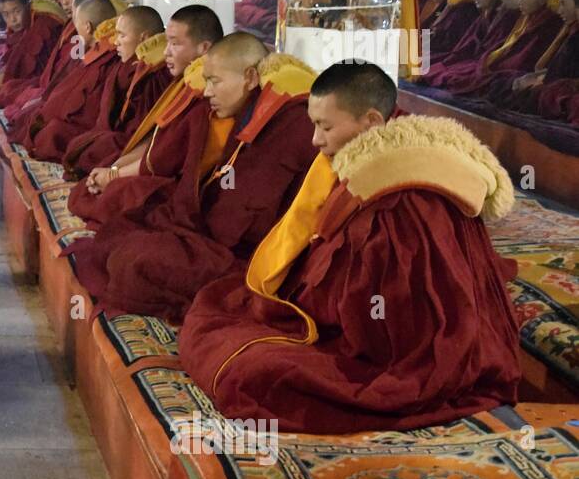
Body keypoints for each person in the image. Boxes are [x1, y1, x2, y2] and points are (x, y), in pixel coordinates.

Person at [179, 60, 521, 433]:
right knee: (218, 309)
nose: (315, 140)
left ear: (372, 122)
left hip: (404, 356)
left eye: (325, 127)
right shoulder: (372, 159)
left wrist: (312, 305)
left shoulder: (402, 199)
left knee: (249, 373)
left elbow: (389, 314)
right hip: (370, 327)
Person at [68, 34, 318, 322]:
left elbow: (253, 221)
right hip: (206, 232)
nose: (207, 91)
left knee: (135, 263)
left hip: (242, 257)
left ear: (250, 78)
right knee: (119, 238)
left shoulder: (290, 125)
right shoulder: (241, 113)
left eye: (215, 81)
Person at [67, 4, 223, 226]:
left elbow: (165, 158)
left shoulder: (204, 95)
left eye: (175, 44)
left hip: (178, 186)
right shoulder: (184, 83)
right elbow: (155, 138)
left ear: (204, 48)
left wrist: (114, 176)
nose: (166, 51)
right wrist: (114, 169)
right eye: (167, 42)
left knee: (118, 196)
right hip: (154, 167)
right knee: (98, 174)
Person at [11, 0, 122, 160]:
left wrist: (49, 110)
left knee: (49, 132)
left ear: (87, 27)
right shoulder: (95, 50)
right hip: (79, 121)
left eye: (77, 26)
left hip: (89, 127)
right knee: (33, 116)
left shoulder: (109, 56)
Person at [62, 5, 168, 175]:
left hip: (133, 145)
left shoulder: (155, 74)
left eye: (122, 35)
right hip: (112, 134)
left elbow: (143, 133)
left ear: (144, 38)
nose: (115, 41)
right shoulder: (126, 64)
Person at [427, 0, 560, 95]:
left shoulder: (548, 23)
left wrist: (489, 61)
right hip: (487, 60)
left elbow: (525, 55)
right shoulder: (522, 17)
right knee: (443, 70)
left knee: (460, 77)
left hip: (513, 69)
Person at [415, 0, 517, 84]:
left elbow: (492, 49)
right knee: (426, 66)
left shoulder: (467, 8)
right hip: (464, 56)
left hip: (481, 61)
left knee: (445, 74)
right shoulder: (481, 13)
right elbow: (466, 43)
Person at [0, 0, 65, 108]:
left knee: (9, 91)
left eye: (17, 12)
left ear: (27, 7)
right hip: (30, 80)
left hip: (49, 79)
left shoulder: (42, 24)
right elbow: (13, 62)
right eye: (6, 15)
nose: (13, 19)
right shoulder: (18, 31)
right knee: (6, 87)